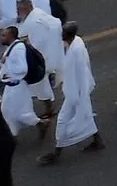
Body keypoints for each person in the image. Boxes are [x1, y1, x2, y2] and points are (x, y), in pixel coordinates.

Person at [42, 22, 101, 163]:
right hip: (74, 91)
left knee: (63, 120)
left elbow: (81, 74)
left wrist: (79, 95)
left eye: (63, 31)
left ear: (68, 34)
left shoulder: (76, 50)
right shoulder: (75, 43)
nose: (61, 33)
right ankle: (98, 140)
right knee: (86, 115)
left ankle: (57, 152)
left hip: (76, 93)